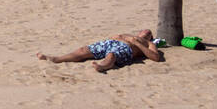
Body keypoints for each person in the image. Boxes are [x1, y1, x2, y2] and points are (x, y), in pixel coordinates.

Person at [37, 30, 165, 73]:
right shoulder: (129, 34)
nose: (146, 32)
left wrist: (137, 43)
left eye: (149, 33)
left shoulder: (148, 43)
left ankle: (102, 66)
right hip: (109, 43)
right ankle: (56, 59)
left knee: (112, 55)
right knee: (83, 50)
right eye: (144, 31)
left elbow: (155, 57)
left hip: (125, 48)